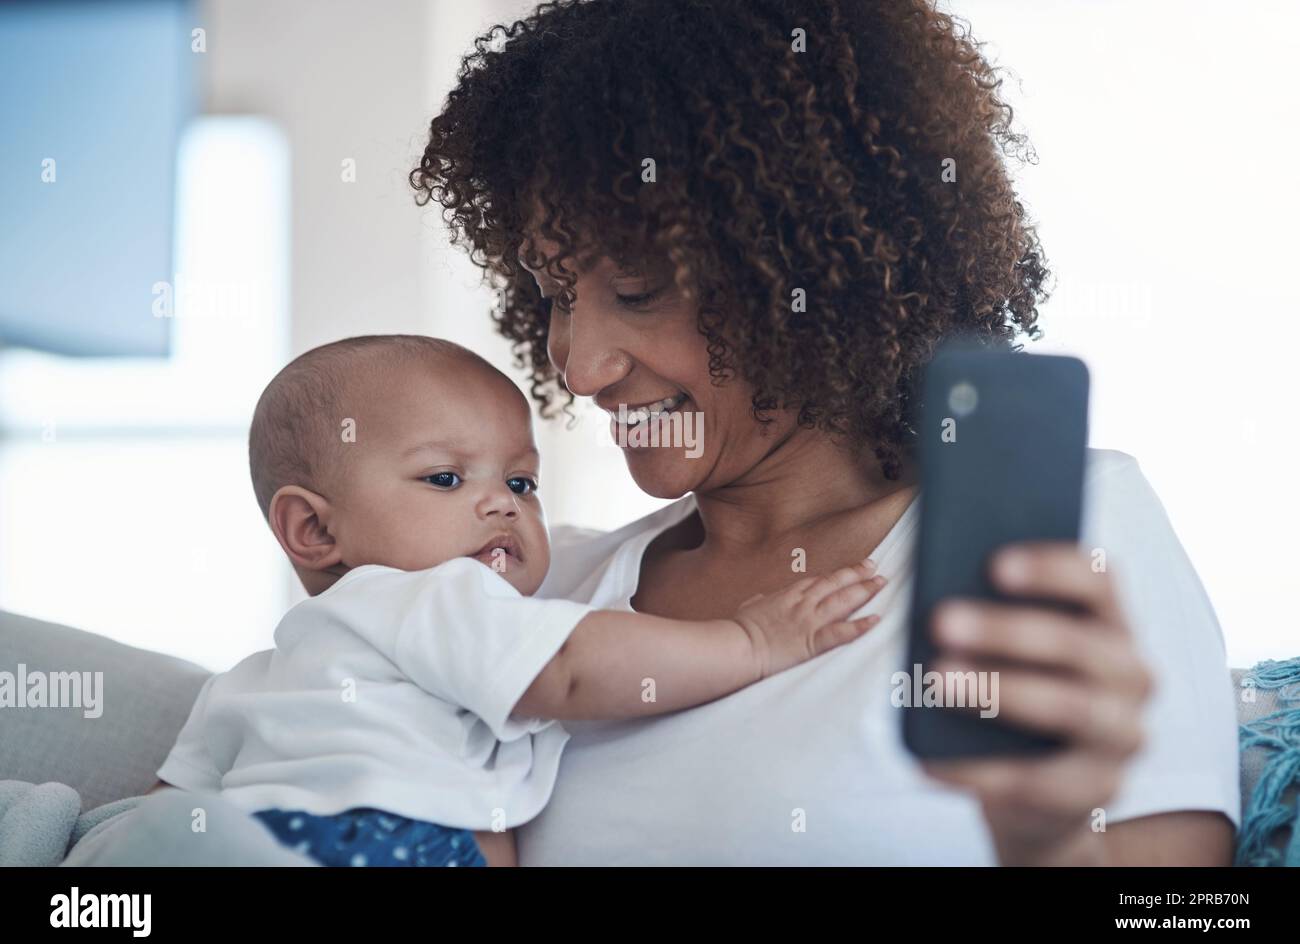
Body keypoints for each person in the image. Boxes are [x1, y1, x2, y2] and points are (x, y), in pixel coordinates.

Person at [405, 0, 1240, 864]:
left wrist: (1053, 837)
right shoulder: (528, 585)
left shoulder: (1075, 532)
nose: (579, 368)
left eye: (640, 287)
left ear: (801, 270)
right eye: (554, 292)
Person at [150, 334, 886, 867]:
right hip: (368, 842)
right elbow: (571, 664)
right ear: (312, 527)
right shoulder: (432, 595)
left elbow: (164, 803)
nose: (501, 505)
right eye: (445, 479)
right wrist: (751, 642)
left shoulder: (261, 671)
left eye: (521, 482)